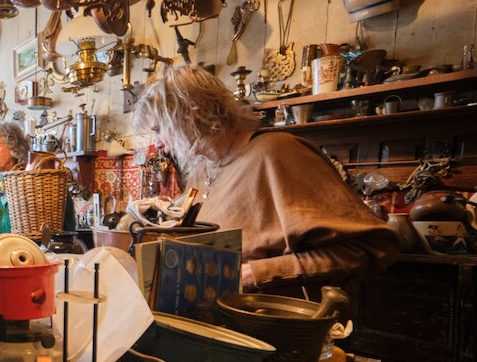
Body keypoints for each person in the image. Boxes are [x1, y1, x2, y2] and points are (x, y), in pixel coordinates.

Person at [134, 66, 398, 293]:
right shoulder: (202, 171)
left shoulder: (277, 152)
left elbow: (371, 247)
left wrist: (255, 274)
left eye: (159, 129)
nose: (157, 144)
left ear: (189, 113)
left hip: (277, 331)